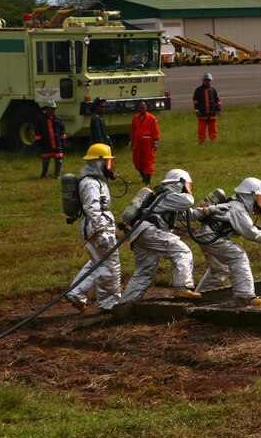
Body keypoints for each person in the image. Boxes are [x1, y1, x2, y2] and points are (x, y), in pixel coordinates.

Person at [189, 177, 261, 307]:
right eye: (258, 198)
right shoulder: (238, 209)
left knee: (220, 269)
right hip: (211, 236)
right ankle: (244, 296)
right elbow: (250, 232)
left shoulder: (236, 205)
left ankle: (199, 296)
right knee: (238, 256)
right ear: (250, 195)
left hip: (206, 234)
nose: (260, 202)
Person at [119, 168, 201, 303]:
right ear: (179, 183)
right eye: (187, 185)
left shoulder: (165, 198)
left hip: (140, 234)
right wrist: (184, 188)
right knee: (182, 251)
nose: (188, 189)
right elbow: (188, 202)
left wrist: (209, 209)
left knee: (144, 273)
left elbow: (187, 215)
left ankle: (125, 304)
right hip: (150, 231)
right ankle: (182, 287)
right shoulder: (168, 195)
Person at [66, 143, 122, 313]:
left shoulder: (97, 180)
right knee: (110, 265)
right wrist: (102, 231)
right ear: (99, 162)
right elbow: (92, 209)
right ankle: (108, 304)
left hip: (100, 225)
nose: (110, 166)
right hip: (97, 227)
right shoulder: (90, 183)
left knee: (98, 262)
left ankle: (77, 293)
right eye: (107, 162)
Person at [33, 99, 66, 178]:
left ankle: (57, 175)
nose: (52, 111)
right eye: (51, 109)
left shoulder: (58, 120)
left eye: (53, 109)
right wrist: (38, 144)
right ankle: (44, 174)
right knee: (46, 160)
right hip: (46, 144)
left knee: (59, 160)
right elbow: (37, 134)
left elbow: (62, 133)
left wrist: (63, 144)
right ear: (46, 109)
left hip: (57, 144)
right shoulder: (40, 120)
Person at [129, 101, 159, 185]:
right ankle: (144, 176)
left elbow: (155, 131)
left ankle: (147, 180)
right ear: (138, 108)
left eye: (143, 107)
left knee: (148, 161)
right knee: (137, 161)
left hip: (148, 142)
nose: (142, 109)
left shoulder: (152, 118)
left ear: (146, 107)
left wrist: (155, 142)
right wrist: (132, 142)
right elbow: (133, 130)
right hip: (137, 142)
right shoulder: (135, 118)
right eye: (140, 107)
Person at [193, 73, 221, 144]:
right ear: (203, 80)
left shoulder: (213, 90)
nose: (207, 82)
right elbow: (195, 101)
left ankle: (213, 141)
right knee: (201, 130)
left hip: (212, 114)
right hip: (202, 114)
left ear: (210, 81)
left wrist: (219, 110)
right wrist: (196, 110)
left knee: (213, 130)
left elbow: (217, 100)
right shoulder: (198, 90)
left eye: (208, 80)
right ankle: (201, 142)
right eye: (206, 80)